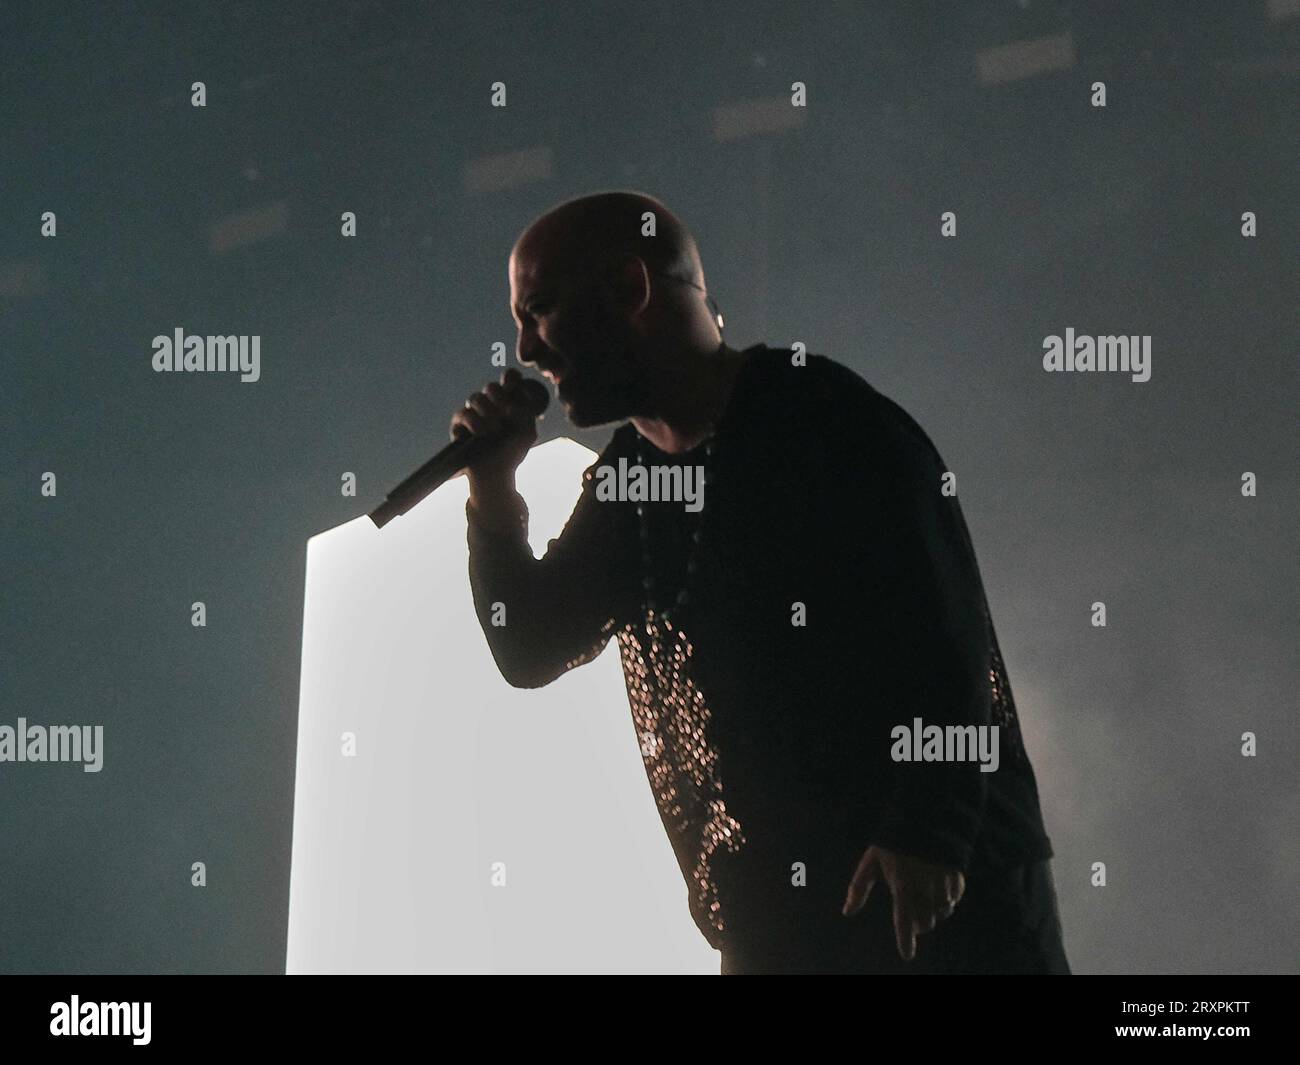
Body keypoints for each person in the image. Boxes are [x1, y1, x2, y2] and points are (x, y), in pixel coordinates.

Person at [454, 190, 1070, 974]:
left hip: (931, 885)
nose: (527, 349)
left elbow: (945, 628)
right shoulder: (632, 482)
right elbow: (529, 644)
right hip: (780, 904)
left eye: (539, 309)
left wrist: (928, 831)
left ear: (630, 291)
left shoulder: (820, 416)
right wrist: (492, 489)